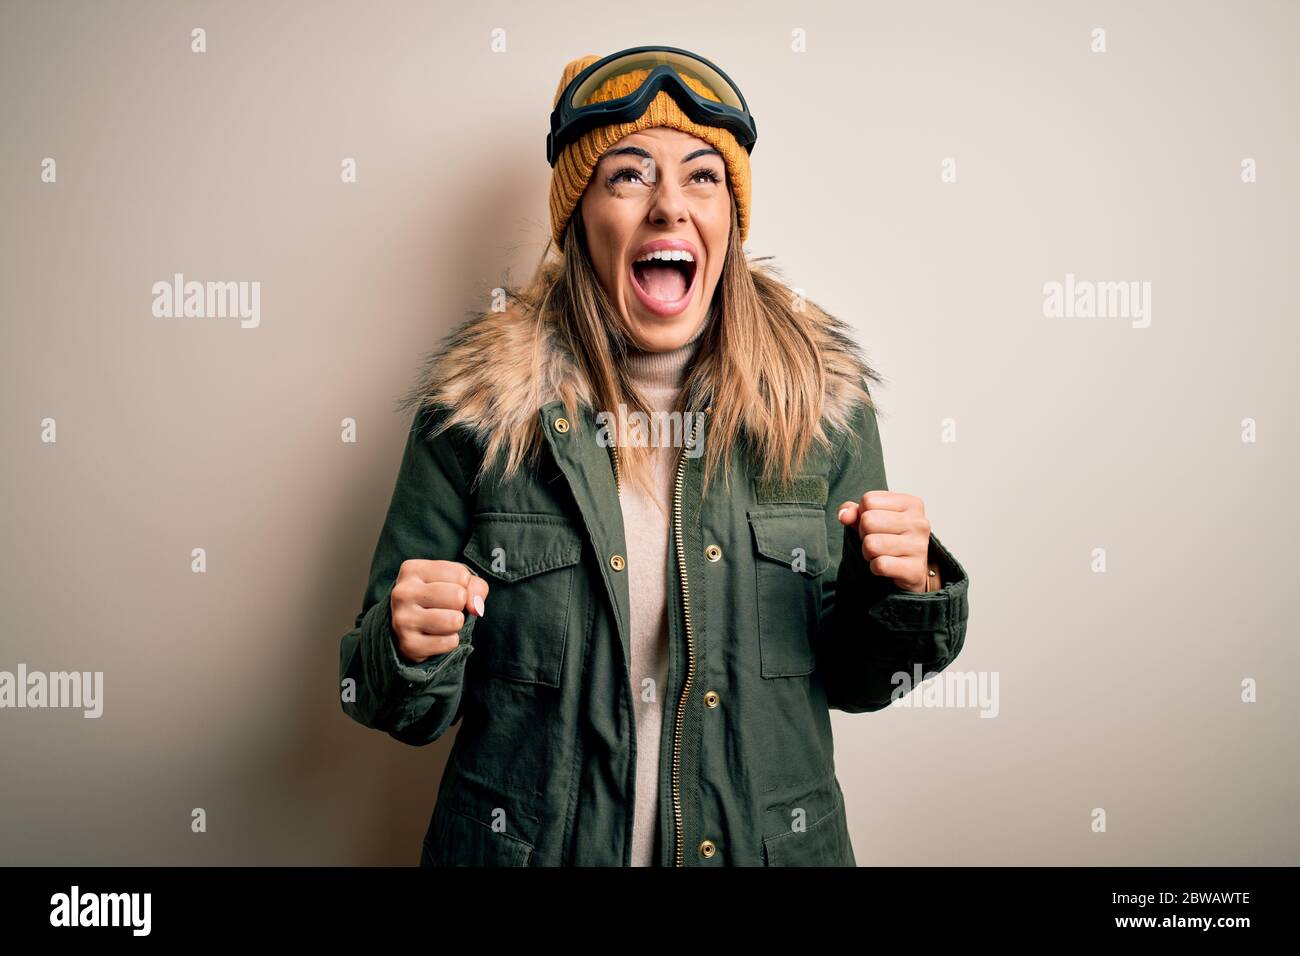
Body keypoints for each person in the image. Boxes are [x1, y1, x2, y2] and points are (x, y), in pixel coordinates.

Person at [338, 46, 971, 867]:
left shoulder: (821, 410)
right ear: (577, 218)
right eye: (628, 175)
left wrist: (905, 592)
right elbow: (387, 700)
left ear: (730, 222)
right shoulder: (474, 416)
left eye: (703, 176)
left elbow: (857, 682)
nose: (670, 206)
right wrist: (406, 643)